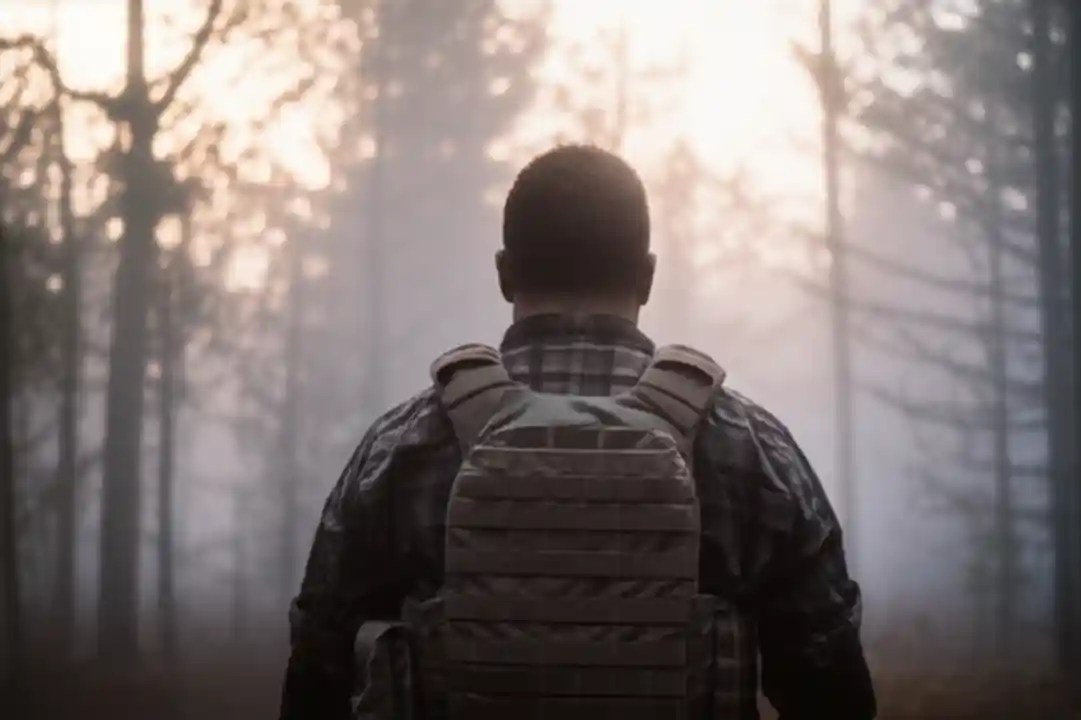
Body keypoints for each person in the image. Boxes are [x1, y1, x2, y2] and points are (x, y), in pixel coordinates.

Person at [279, 145, 876, 719]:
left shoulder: (401, 448)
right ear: (646, 277)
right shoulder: (749, 448)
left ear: (505, 273)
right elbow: (833, 689)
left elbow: (317, 671)